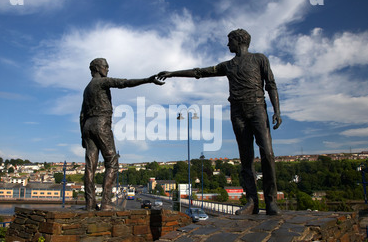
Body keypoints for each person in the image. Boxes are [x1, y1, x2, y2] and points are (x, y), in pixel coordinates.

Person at [158, 29, 282, 215]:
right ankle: (252, 202)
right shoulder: (228, 65)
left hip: (257, 108)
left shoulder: (259, 59)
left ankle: (271, 201)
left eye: (229, 41)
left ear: (239, 41)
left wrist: (277, 111)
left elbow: (271, 84)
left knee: (268, 153)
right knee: (246, 158)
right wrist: (173, 73)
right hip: (237, 111)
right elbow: (200, 72)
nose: (227, 45)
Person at [80, 58, 164, 211]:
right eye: (106, 66)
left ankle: (90, 203)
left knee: (90, 166)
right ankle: (106, 202)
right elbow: (124, 83)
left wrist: (82, 136)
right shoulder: (101, 82)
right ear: (98, 68)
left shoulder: (87, 89)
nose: (107, 69)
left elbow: (82, 114)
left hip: (87, 126)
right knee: (112, 162)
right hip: (101, 124)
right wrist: (147, 80)